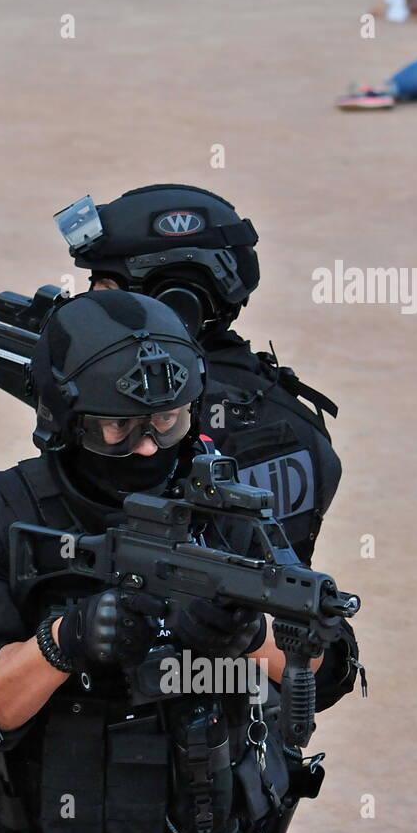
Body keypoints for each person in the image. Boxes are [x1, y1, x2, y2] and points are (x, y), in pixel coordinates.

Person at [0, 290, 362, 833]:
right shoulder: (2, 516)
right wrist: (66, 641)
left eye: (167, 419)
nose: (149, 446)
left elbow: (328, 672)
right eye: (119, 428)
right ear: (65, 420)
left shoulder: (224, 507)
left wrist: (252, 638)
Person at [64, 185, 340, 564]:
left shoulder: (151, 426)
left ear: (173, 303)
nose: (91, 297)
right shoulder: (297, 419)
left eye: (107, 288)